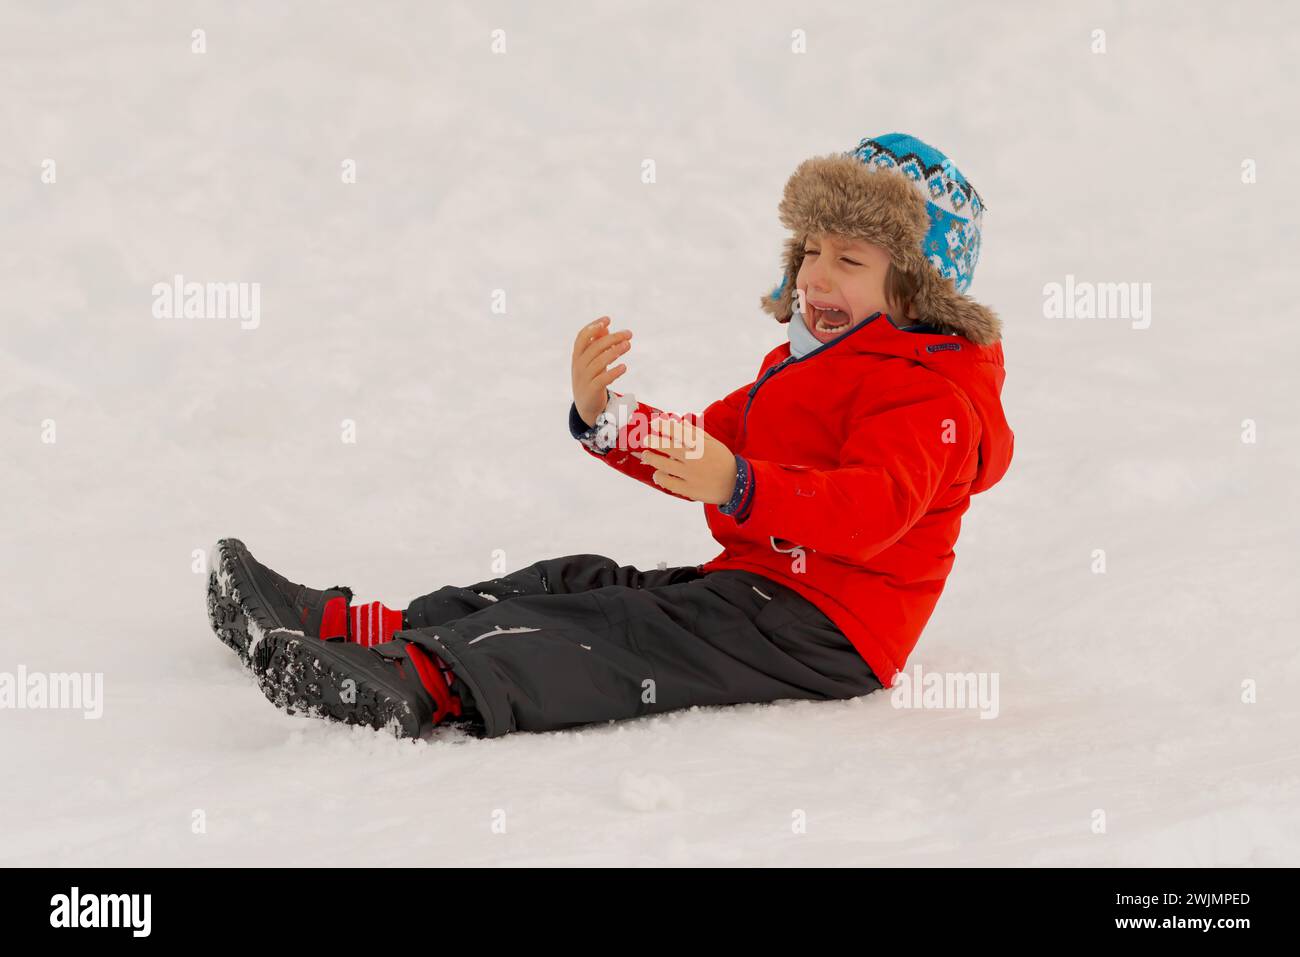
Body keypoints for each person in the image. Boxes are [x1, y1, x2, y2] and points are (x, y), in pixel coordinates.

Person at [205, 132, 1014, 740]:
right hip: (761, 591)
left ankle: (416, 680)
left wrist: (741, 485)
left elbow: (873, 509)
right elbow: (701, 445)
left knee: (618, 633)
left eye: (850, 259)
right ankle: (358, 629)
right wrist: (607, 417)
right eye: (809, 250)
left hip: (830, 631)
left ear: (915, 292)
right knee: (576, 581)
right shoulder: (809, 365)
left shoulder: (928, 395)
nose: (815, 276)